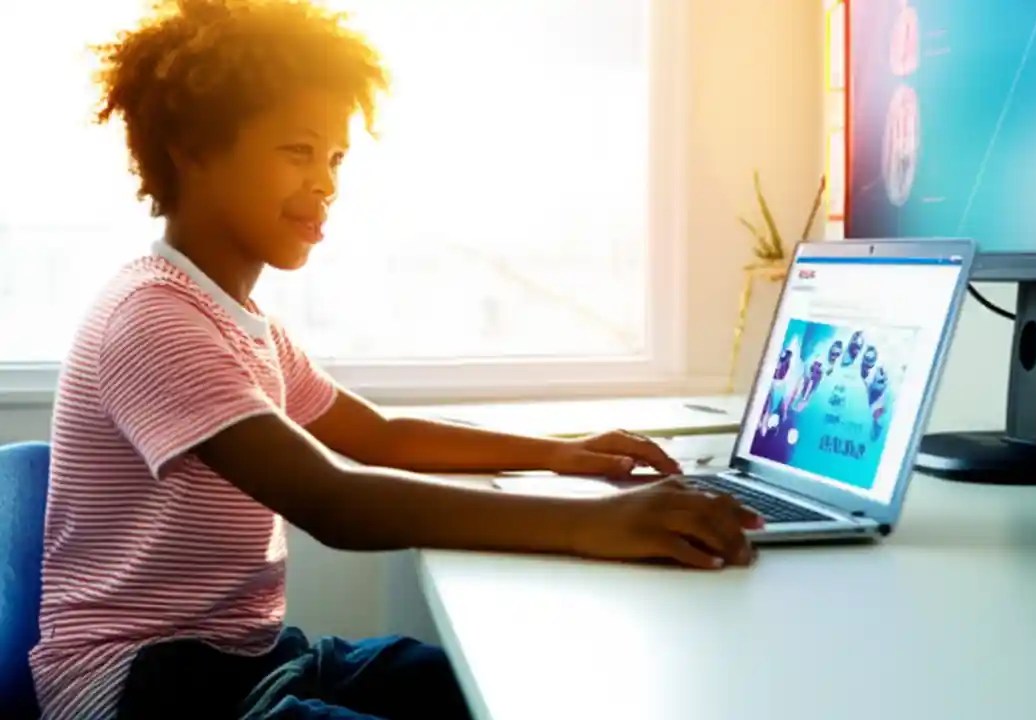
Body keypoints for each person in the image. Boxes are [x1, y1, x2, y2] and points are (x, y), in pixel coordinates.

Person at [29, 1, 762, 718]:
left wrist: (564, 456)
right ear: (193, 147)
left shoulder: (241, 321)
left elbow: (380, 437)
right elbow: (334, 502)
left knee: (483, 687)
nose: (325, 182)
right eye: (298, 150)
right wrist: (595, 527)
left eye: (336, 157)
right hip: (139, 686)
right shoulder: (154, 319)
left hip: (248, 662)